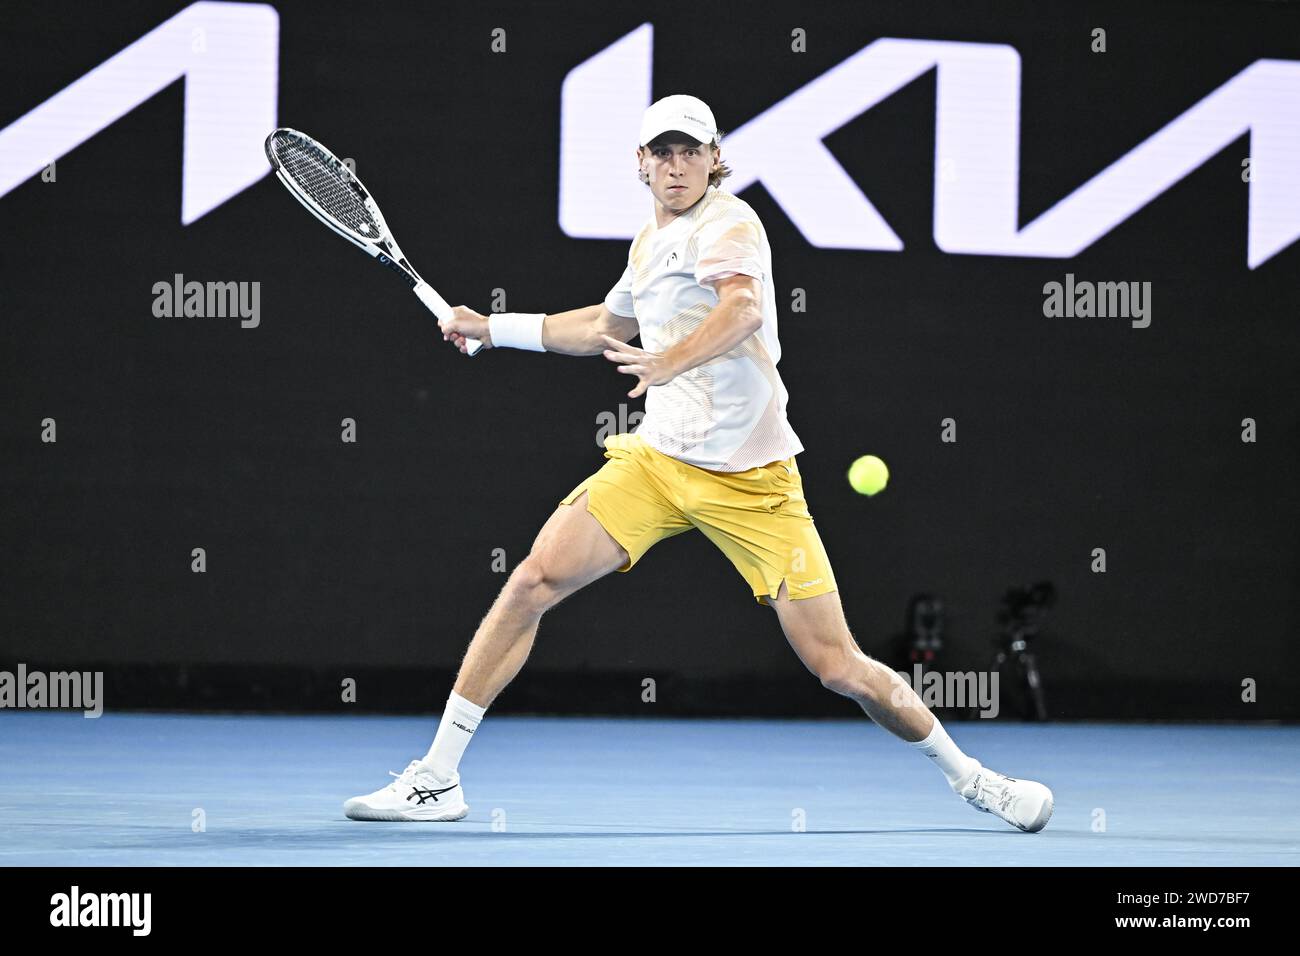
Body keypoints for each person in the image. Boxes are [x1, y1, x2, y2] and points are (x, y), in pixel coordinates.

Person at [343, 94, 1054, 832]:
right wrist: (492, 328)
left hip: (753, 481)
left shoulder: (728, 223)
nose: (677, 166)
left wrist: (667, 361)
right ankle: (437, 777)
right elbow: (601, 325)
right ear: (641, 163)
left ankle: (974, 779)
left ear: (715, 159)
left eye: (692, 152)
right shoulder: (649, 243)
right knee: (531, 579)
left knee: (838, 666)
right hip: (657, 463)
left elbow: (742, 309)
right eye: (663, 153)